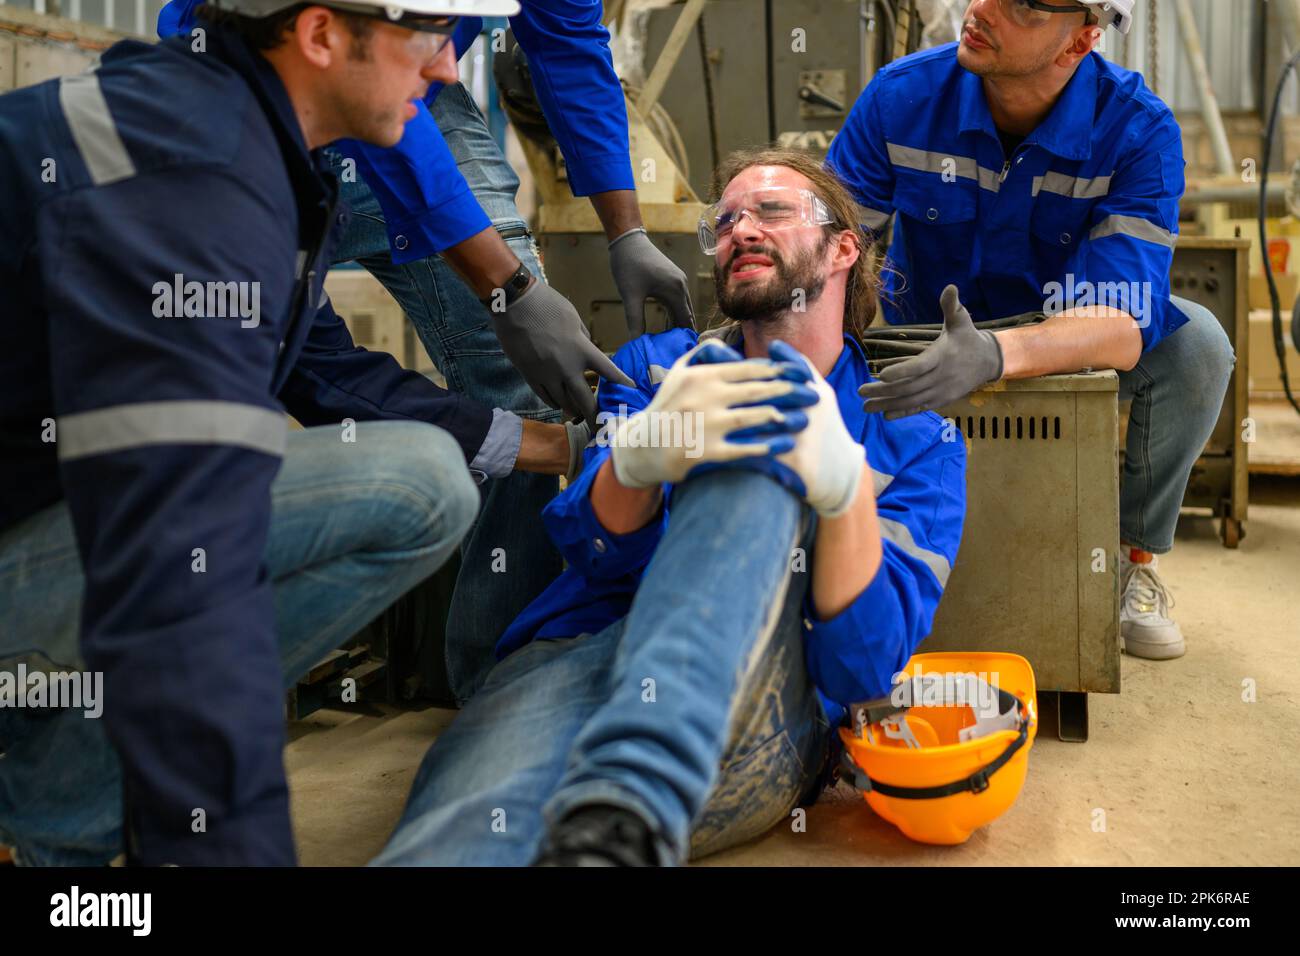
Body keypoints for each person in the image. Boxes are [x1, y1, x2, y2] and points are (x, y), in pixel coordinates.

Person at [0, 0, 578, 866]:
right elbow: (183, 552)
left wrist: (571, 449)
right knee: (406, 492)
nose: (447, 68)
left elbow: (332, 379)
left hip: (33, 514)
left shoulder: (246, 148)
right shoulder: (196, 180)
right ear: (318, 35)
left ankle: (51, 832)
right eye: (427, 37)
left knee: (412, 481)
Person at [372, 148, 967, 866]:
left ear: (844, 247)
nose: (741, 230)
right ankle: (619, 814)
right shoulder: (659, 367)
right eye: (726, 221)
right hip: (579, 658)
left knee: (755, 423)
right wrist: (644, 454)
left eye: (771, 212)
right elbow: (591, 551)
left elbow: (861, 670)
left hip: (764, 691)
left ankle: (637, 780)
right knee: (479, 822)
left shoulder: (915, 436)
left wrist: (843, 499)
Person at [158, 0, 696, 698]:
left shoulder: (410, 75)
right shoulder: (203, 173)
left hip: (377, 70)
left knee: (523, 380)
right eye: (442, 36)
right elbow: (309, 371)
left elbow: (564, 44)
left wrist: (625, 229)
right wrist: (506, 286)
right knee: (405, 477)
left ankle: (497, 682)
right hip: (327, 65)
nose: (458, 62)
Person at [830, 0, 1234, 660]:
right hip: (921, 339)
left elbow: (1123, 317)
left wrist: (998, 352)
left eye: (1021, 3)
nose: (980, 7)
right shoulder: (901, 98)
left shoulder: (1135, 130)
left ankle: (1135, 557)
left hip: (1063, 340)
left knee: (1199, 348)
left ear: (1079, 41)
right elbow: (833, 256)